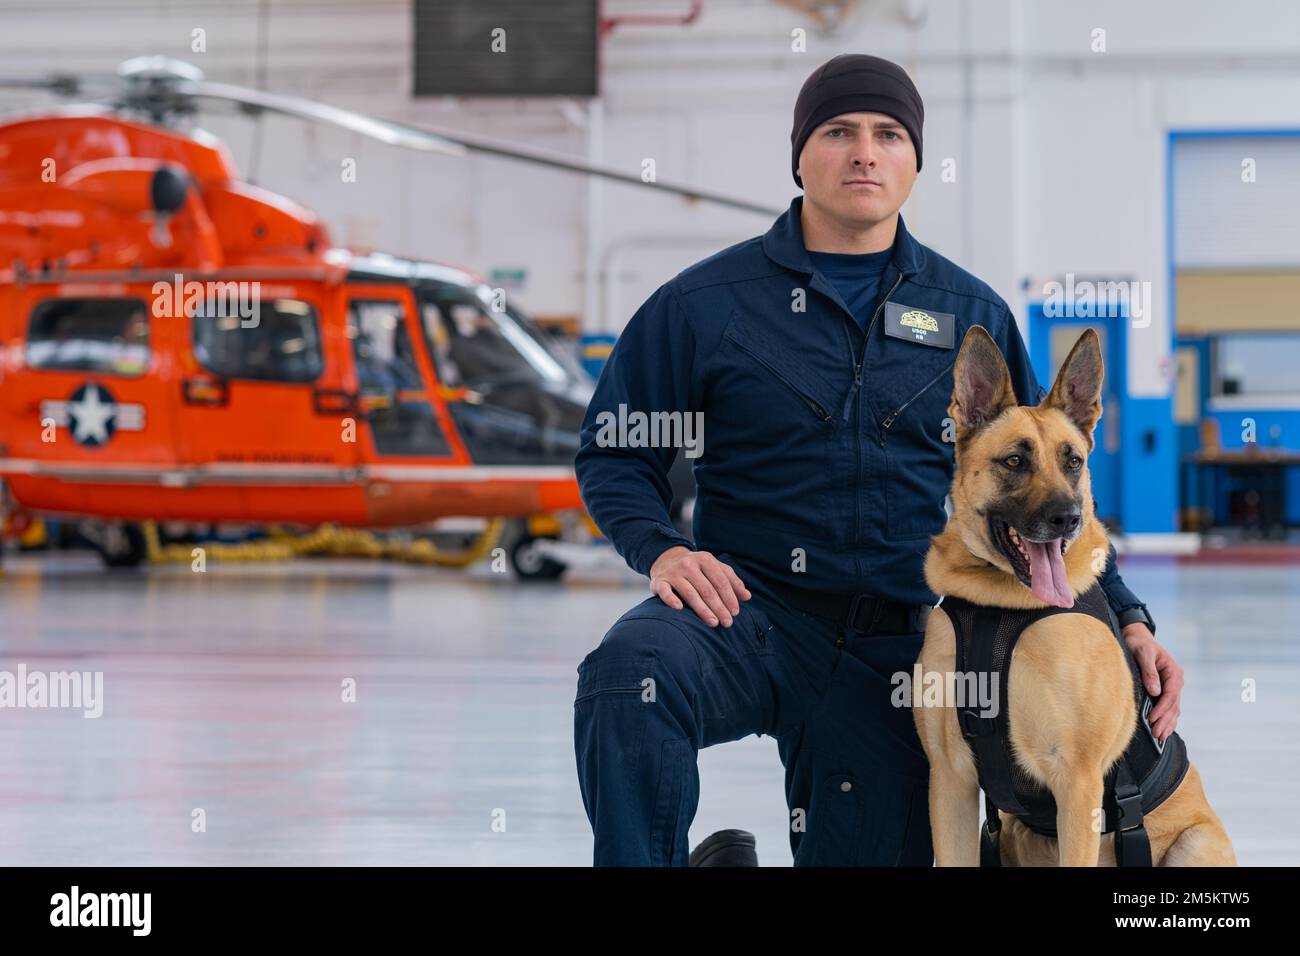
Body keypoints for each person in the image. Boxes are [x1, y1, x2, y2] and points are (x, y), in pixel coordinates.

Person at [572, 53, 1181, 867]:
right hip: (746, 615)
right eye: (839, 131)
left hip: (901, 650)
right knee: (630, 672)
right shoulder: (705, 306)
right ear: (799, 156)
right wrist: (664, 548)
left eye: (889, 134)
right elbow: (614, 450)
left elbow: (1049, 486)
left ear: (913, 162)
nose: (865, 152)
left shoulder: (970, 313)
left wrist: (1128, 619)